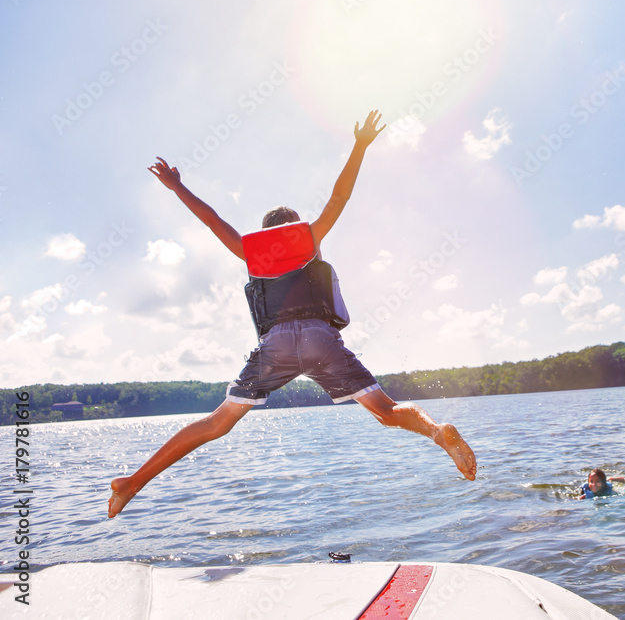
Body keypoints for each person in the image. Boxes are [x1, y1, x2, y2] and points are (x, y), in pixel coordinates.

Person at [108, 110, 476, 519]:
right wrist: (359, 146)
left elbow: (211, 219)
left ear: (264, 234)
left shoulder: (250, 252)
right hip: (321, 340)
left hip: (277, 344)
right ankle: (436, 431)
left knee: (217, 423)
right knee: (387, 412)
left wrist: (177, 186)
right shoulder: (311, 239)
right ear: (297, 231)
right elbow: (340, 199)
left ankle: (132, 483)